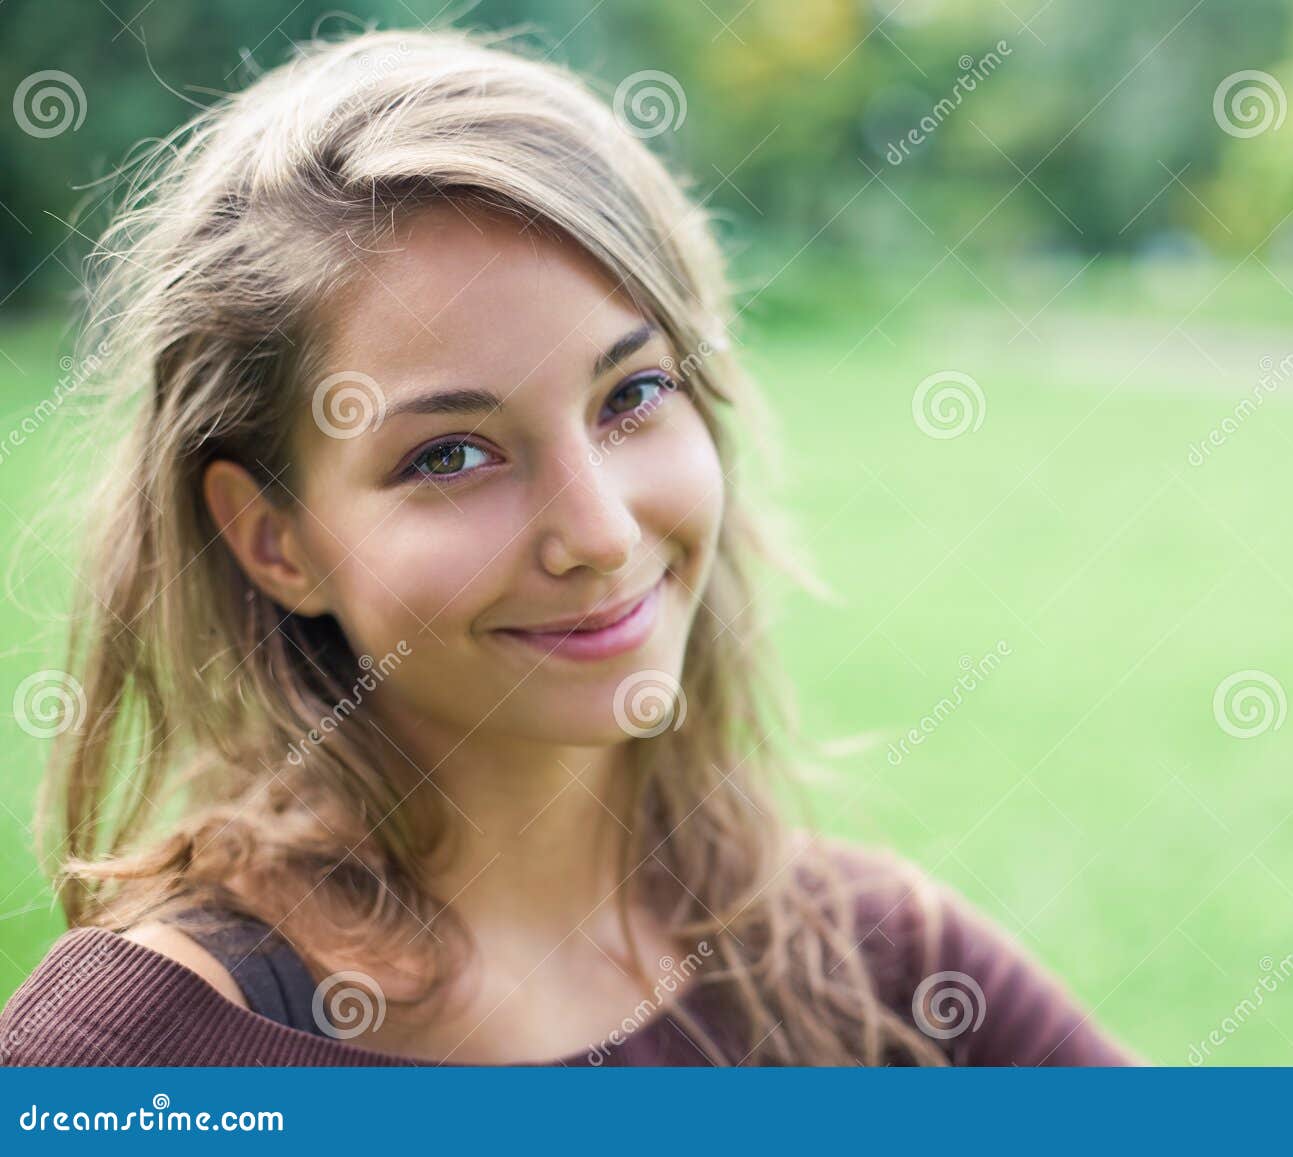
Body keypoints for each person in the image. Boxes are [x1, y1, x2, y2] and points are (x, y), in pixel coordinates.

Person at [0, 27, 1135, 1068]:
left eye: (632, 393)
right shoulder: (141, 1057)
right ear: (273, 540)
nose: (600, 531)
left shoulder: (887, 975)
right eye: (450, 455)